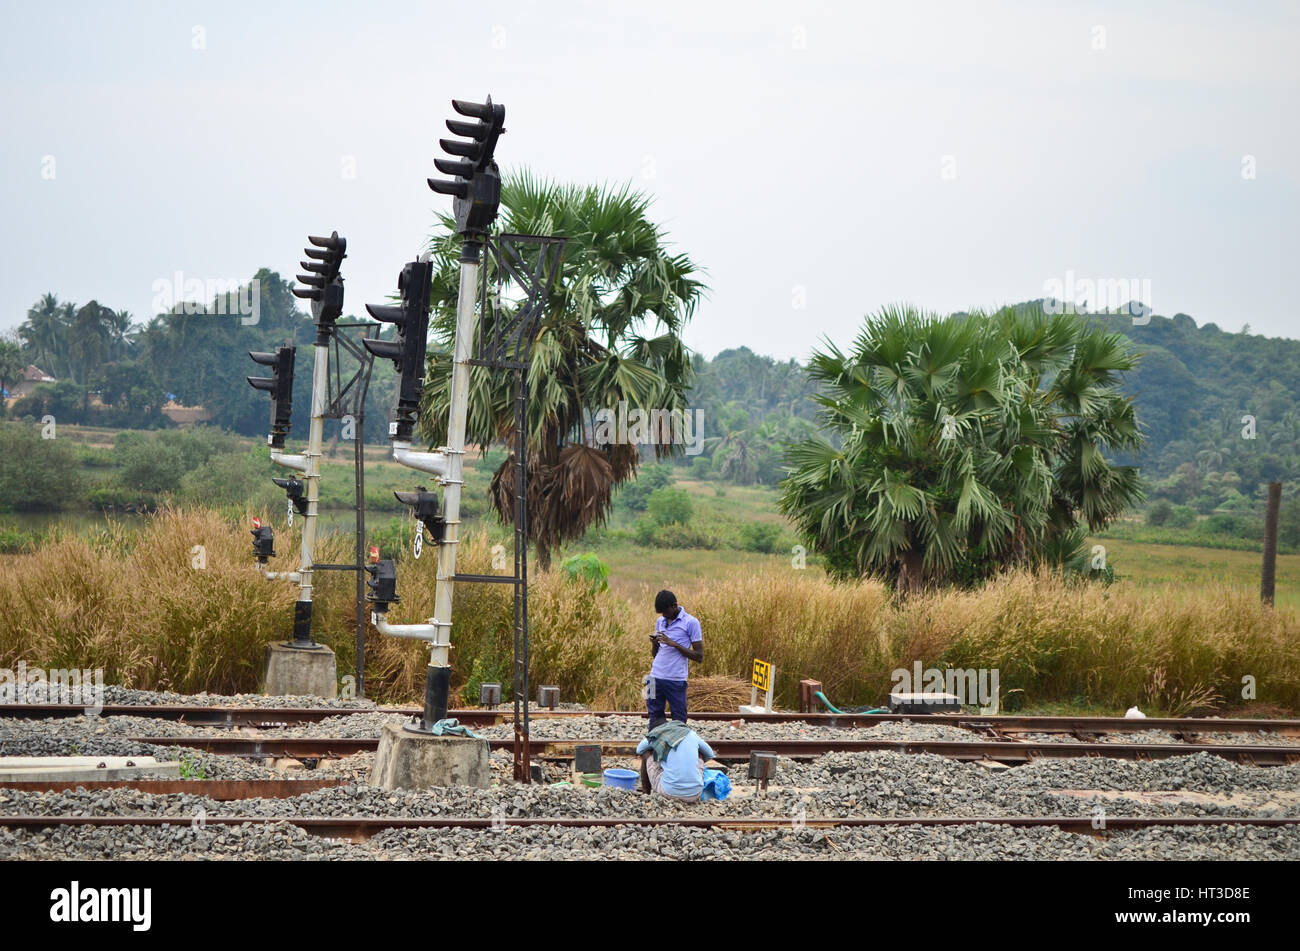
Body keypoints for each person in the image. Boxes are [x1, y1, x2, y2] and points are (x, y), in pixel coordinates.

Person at [645, 589, 702, 725]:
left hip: (675, 680)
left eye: (666, 612)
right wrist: (654, 644)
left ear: (674, 606)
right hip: (653, 678)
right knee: (654, 717)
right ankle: (656, 744)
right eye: (662, 614)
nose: (664, 616)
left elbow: (699, 656)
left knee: (679, 720)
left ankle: (677, 745)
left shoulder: (691, 623)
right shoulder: (660, 621)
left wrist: (674, 644)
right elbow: (655, 655)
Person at [636, 718, 716, 802]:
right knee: (700, 753)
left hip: (668, 793)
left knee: (646, 753)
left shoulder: (660, 734)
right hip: (695, 794)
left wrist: (658, 751)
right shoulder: (691, 734)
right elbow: (710, 754)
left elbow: (639, 750)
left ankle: (646, 794)